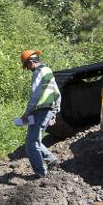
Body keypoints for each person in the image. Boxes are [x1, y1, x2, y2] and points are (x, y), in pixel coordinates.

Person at [15, 50, 61, 178]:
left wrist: (26, 113)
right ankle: (51, 160)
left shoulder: (38, 72)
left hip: (40, 111)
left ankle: (40, 173)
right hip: (47, 111)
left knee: (31, 143)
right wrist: (54, 113)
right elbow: (57, 94)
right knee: (33, 140)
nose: (28, 69)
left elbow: (35, 95)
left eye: (27, 66)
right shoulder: (48, 70)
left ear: (31, 62)